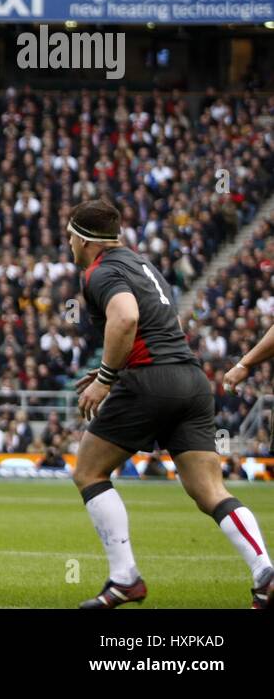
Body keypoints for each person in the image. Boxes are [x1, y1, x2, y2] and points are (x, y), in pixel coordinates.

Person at [67, 199, 272, 610]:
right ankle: (265, 574)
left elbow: (125, 319)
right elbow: (164, 326)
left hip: (151, 380)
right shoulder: (142, 265)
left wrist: (107, 379)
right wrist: (118, 367)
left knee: (89, 471)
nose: (68, 243)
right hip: (190, 379)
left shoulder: (101, 270)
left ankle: (125, 579)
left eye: (70, 236)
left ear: (86, 240)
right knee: (209, 490)